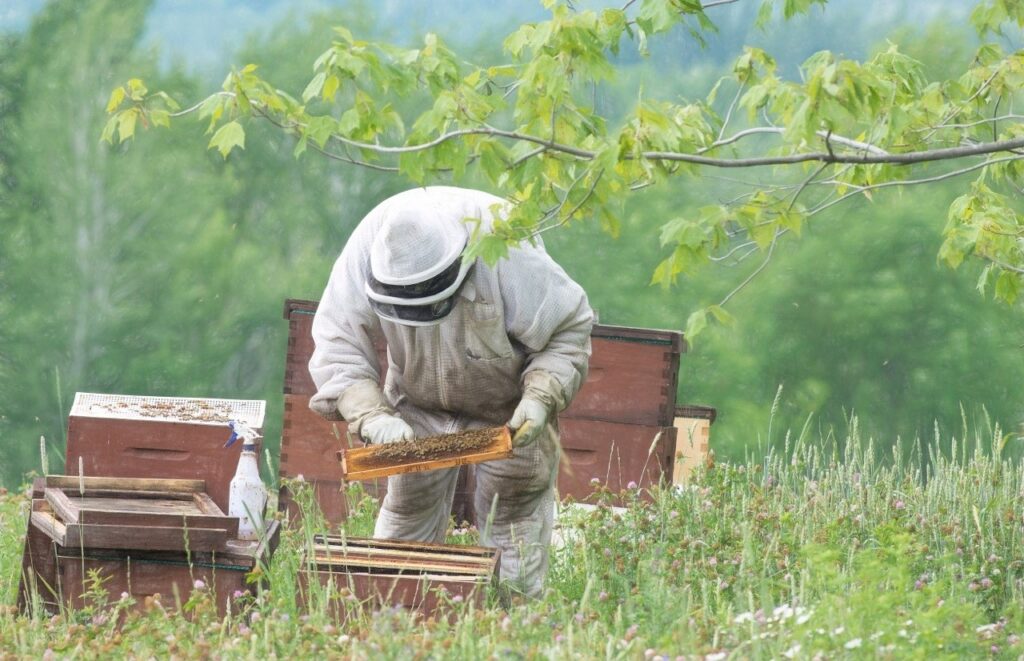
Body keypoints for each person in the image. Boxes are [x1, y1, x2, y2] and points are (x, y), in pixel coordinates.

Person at [308, 185, 594, 598]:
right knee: (407, 510)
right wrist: (371, 414)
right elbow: (338, 341)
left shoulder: (505, 247)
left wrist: (541, 396)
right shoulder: (370, 242)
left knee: (513, 515)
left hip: (508, 403)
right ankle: (392, 624)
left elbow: (567, 327)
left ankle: (512, 631)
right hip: (415, 400)